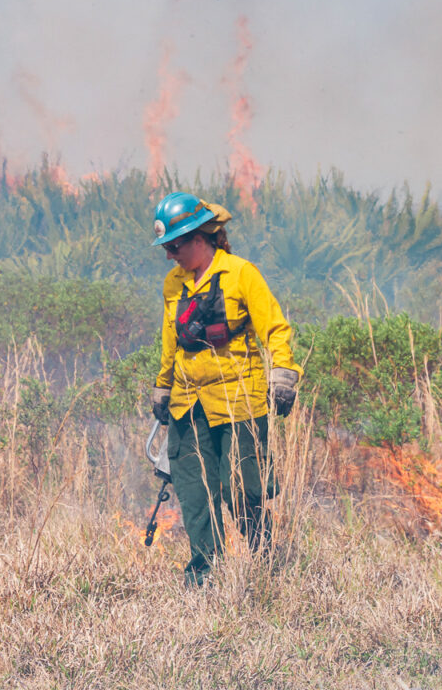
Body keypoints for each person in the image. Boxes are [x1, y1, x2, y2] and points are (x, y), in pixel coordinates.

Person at [149, 191, 301, 586]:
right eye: (166, 247)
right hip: (188, 403)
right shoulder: (173, 284)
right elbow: (171, 341)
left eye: (174, 245)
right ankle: (203, 575)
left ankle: (265, 561)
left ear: (200, 237)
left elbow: (275, 326)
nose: (169, 254)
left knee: (241, 488)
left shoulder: (240, 273)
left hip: (238, 401)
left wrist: (283, 370)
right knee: (195, 492)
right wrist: (163, 387)